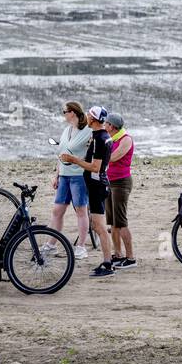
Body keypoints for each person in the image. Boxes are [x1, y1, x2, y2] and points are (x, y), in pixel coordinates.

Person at [59, 105, 116, 277]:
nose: (85, 116)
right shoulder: (100, 135)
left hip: (97, 185)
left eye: (88, 115)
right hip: (98, 184)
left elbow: (95, 167)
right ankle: (108, 262)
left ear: (93, 119)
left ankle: (108, 265)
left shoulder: (100, 138)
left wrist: (73, 159)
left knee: (99, 227)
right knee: (97, 226)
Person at [50, 101, 93, 260]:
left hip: (79, 176)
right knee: (57, 211)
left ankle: (81, 247)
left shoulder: (88, 131)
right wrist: (57, 175)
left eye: (64, 112)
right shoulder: (66, 130)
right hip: (64, 176)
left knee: (81, 211)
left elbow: (96, 149)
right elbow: (61, 153)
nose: (63, 114)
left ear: (73, 112)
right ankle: (51, 244)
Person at [104, 112, 136, 270]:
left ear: (112, 126)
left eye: (106, 123)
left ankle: (130, 258)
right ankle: (118, 255)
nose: (104, 125)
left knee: (121, 222)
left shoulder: (126, 139)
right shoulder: (111, 139)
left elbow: (114, 157)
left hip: (121, 183)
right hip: (110, 183)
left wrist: (98, 155)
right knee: (113, 223)